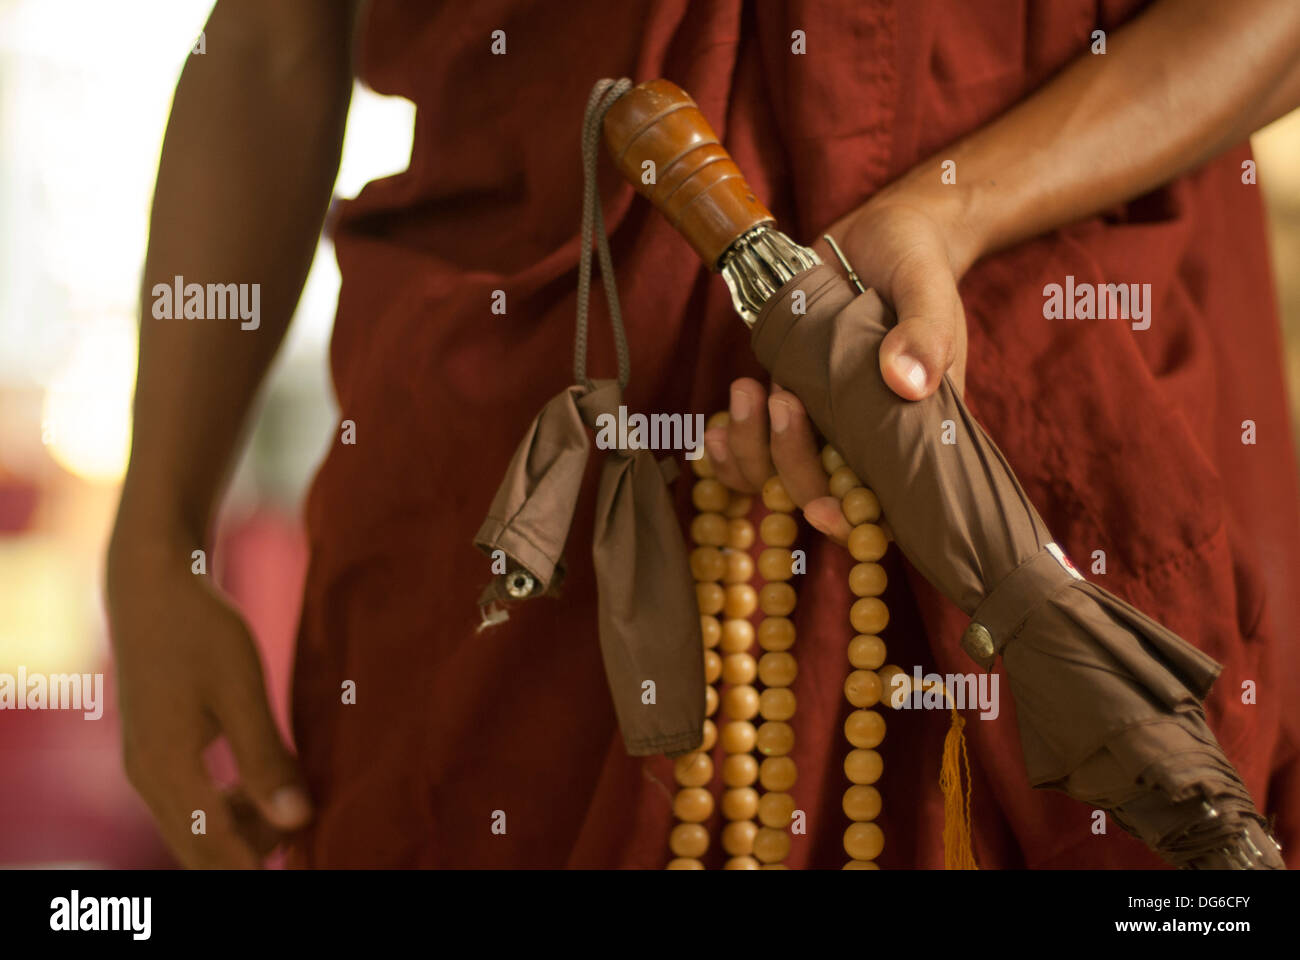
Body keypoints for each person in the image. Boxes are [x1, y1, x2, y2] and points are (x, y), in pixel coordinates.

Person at [107, 0, 1300, 868]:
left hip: (1063, 427)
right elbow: (269, 41)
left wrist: (957, 210)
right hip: (515, 508)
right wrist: (155, 539)